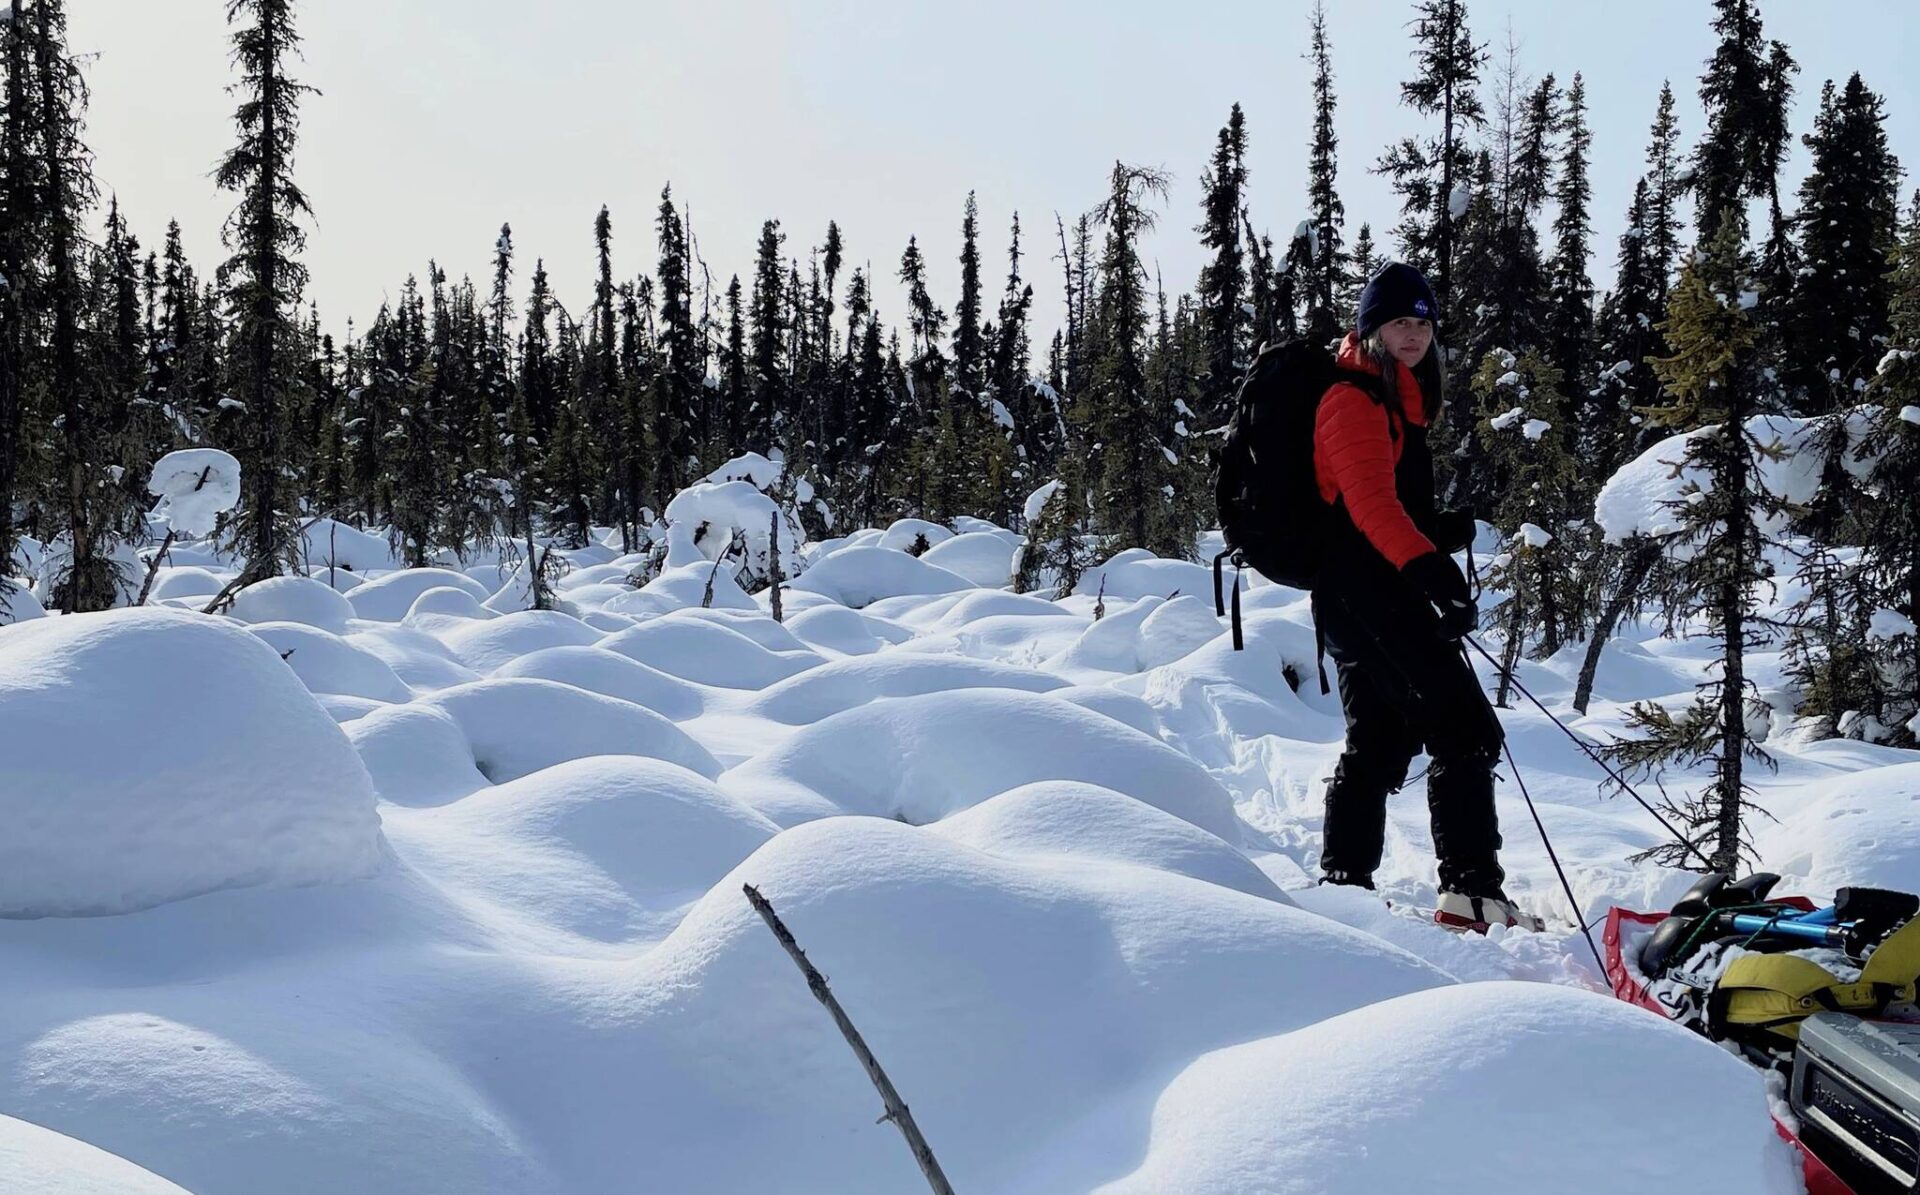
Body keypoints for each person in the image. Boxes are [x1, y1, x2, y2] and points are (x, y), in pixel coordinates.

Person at [1310, 261, 1540, 932]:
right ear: (1371, 329)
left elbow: (1368, 509)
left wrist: (1438, 531)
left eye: (1421, 322)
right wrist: (1434, 570)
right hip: (1369, 599)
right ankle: (1471, 892)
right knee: (1465, 730)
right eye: (1398, 322)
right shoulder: (1351, 399)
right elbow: (1372, 507)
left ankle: (1344, 887)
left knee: (1379, 741)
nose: (1412, 334)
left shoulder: (1395, 402)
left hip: (1364, 595)